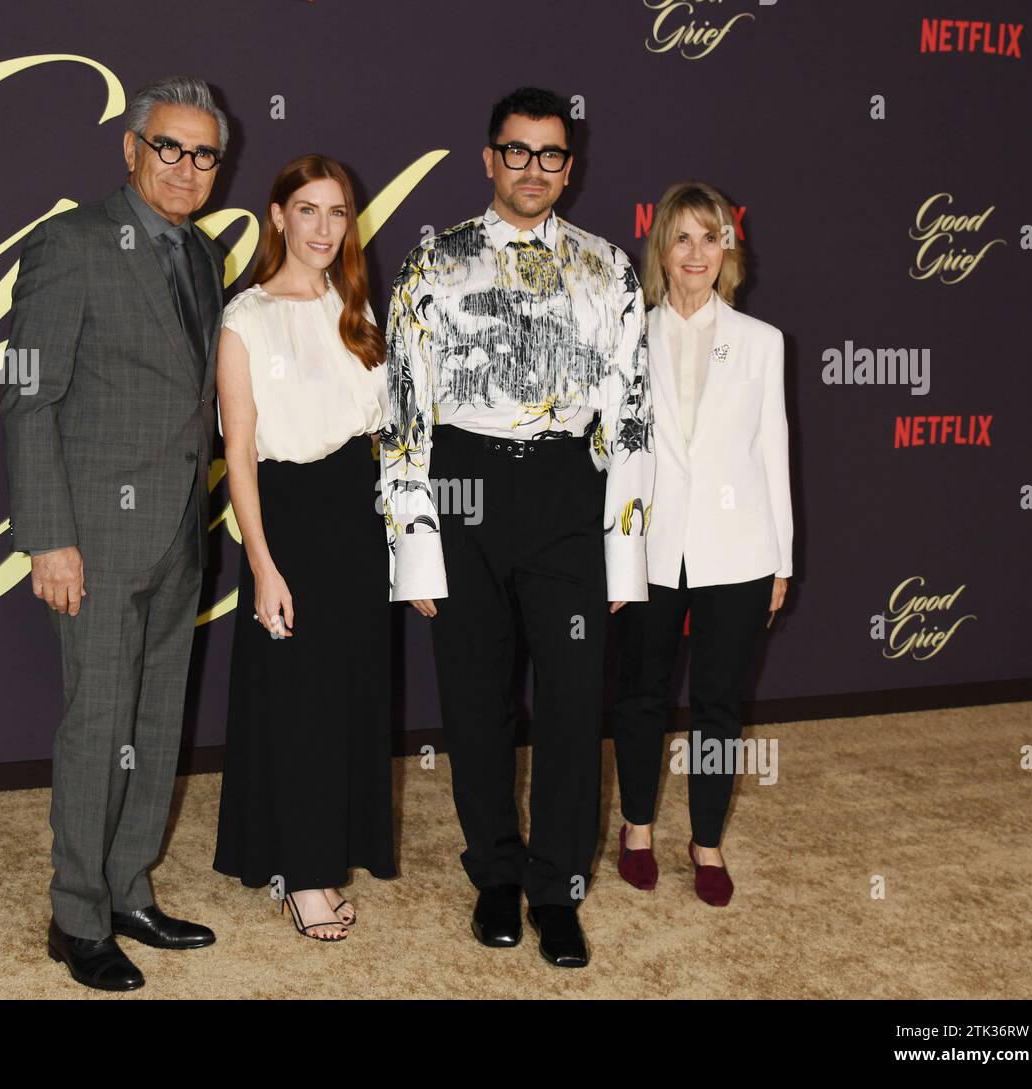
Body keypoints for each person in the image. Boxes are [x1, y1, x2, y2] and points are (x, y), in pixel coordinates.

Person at [380, 87, 654, 968]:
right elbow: (404, 411)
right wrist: (415, 549)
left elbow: (633, 414)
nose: (533, 168)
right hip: (465, 491)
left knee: (576, 704)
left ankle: (558, 888)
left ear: (569, 168)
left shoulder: (608, 268)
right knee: (475, 699)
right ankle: (495, 873)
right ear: (488, 158)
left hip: (570, 495)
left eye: (551, 154)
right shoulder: (433, 264)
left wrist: (625, 555)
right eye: (517, 150)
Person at [0, 76, 228, 990]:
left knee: (156, 716)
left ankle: (129, 886)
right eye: (168, 147)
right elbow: (27, 397)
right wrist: (47, 538)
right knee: (98, 724)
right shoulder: (71, 243)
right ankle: (76, 916)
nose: (185, 166)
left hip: (179, 533)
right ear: (130, 150)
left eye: (203, 153)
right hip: (91, 533)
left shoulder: (204, 257)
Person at [212, 154, 396, 941]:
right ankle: (303, 872)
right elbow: (241, 452)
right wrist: (261, 563)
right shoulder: (244, 317)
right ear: (278, 216)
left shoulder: (355, 306)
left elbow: (386, 431)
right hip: (287, 515)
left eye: (339, 212)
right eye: (309, 210)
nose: (326, 228)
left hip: (360, 516)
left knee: (350, 693)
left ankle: (329, 851)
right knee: (297, 699)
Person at [611, 180, 792, 907]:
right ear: (662, 246)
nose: (695, 252)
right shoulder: (629, 335)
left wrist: (783, 558)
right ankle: (636, 828)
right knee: (640, 696)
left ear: (728, 249)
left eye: (709, 236)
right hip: (649, 547)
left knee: (719, 702)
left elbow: (772, 450)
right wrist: (614, 549)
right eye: (681, 236)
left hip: (738, 550)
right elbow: (615, 451)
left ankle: (707, 840)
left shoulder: (761, 342)